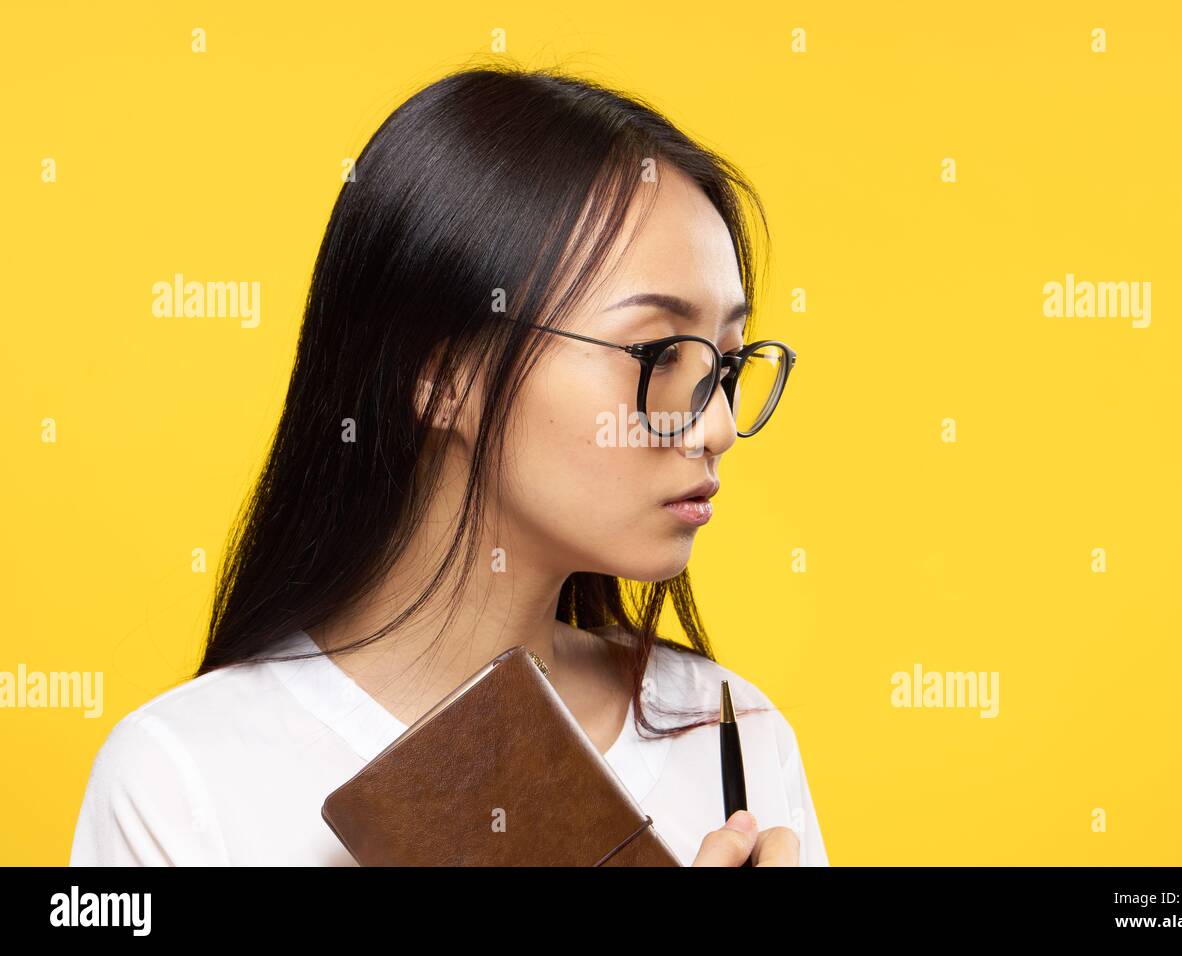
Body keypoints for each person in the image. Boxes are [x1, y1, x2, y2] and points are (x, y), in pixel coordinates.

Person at [69, 60, 828, 867]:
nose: (713, 423)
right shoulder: (182, 784)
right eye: (659, 352)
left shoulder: (732, 740)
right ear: (440, 375)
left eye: (729, 362)